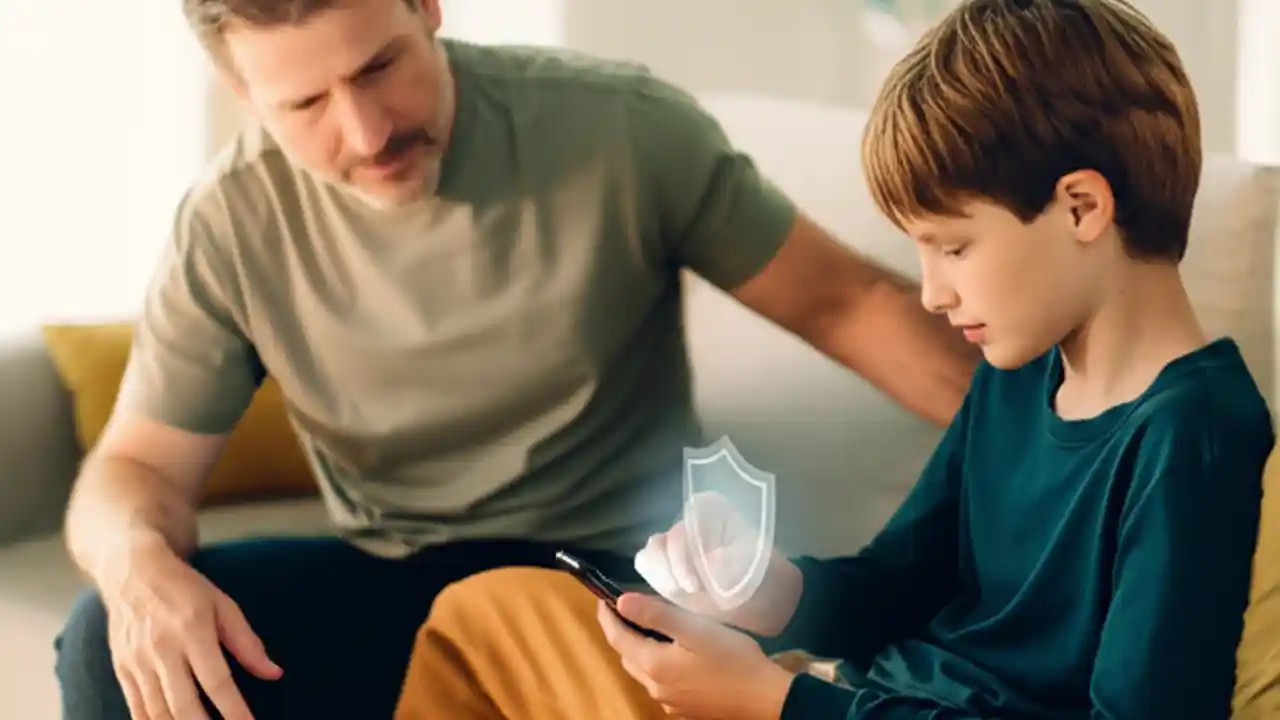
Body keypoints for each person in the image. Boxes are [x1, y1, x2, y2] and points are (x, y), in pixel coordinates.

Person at [51, 0, 977, 718]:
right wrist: (135, 570)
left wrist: (1052, 431)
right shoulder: (230, 221)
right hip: (391, 573)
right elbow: (135, 471)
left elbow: (847, 303)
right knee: (108, 639)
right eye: (306, 104)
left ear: (427, 6)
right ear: (241, 91)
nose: (367, 131)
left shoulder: (621, 128)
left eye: (379, 67)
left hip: (614, 571)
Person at [393, 0, 1277, 718]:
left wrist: (773, 705)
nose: (932, 294)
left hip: (824, 707)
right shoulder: (1019, 374)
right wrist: (762, 592)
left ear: (1082, 208)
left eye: (954, 247)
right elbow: (897, 582)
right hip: (842, 695)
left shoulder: (1194, 434)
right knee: (483, 618)